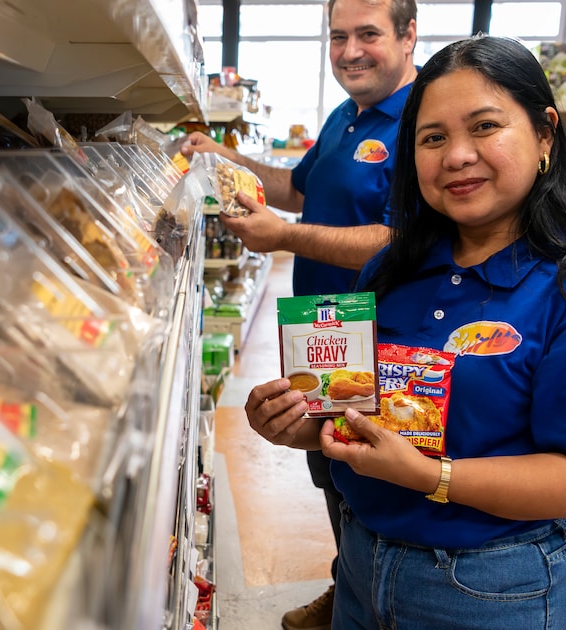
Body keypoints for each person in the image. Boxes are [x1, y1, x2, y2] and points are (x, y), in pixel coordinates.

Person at [241, 35, 566, 629]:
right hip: (361, 566)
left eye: (485, 127)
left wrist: (429, 477)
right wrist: (304, 426)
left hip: (492, 588)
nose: (457, 156)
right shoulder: (391, 269)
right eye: (432, 138)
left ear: (544, 134)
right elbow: (364, 408)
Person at [181, 1, 419, 628]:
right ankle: (348, 588)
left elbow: (402, 239)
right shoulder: (348, 115)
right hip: (322, 320)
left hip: (383, 330)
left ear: (407, 35)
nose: (350, 51)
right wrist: (226, 160)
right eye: (338, 37)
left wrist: (285, 237)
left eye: (368, 34)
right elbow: (295, 188)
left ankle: (369, 602)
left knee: (372, 471)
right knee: (329, 465)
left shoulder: (420, 121)